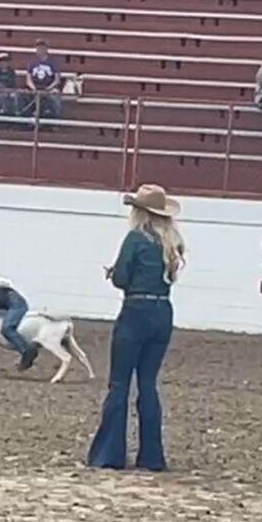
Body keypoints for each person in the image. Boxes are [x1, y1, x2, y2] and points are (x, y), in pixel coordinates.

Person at [88, 184, 184, 471]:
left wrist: (115, 274)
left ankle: (110, 454)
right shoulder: (170, 244)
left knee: (119, 383)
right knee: (148, 383)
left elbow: (122, 278)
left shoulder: (135, 239)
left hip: (135, 311)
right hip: (162, 311)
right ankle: (151, 456)